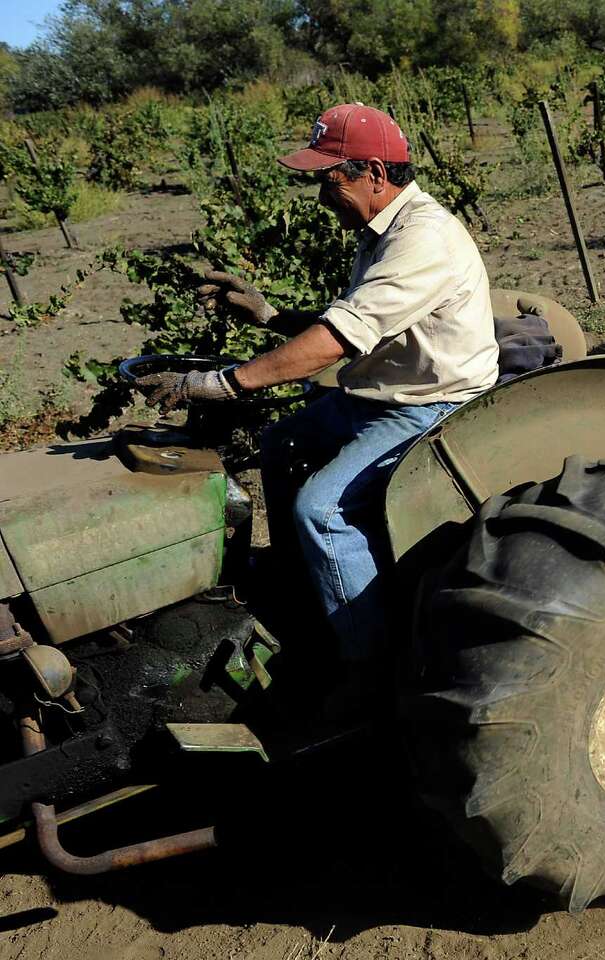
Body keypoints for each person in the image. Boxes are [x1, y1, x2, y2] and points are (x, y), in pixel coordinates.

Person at [136, 103, 499, 663]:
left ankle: (371, 666)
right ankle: (306, 584)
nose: (322, 198)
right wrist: (269, 315)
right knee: (279, 445)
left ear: (373, 173)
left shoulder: (424, 238)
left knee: (322, 511)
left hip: (433, 403)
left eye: (329, 181)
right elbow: (355, 319)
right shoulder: (381, 229)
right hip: (382, 393)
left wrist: (224, 384)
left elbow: (337, 339)